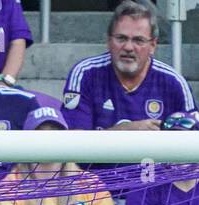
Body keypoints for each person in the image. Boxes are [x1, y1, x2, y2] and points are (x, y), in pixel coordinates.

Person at [61, 0, 193, 131]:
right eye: (121, 38)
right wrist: (125, 131)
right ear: (108, 41)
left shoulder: (173, 82)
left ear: (153, 45)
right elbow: (74, 142)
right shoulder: (85, 74)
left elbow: (193, 138)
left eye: (138, 40)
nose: (128, 47)